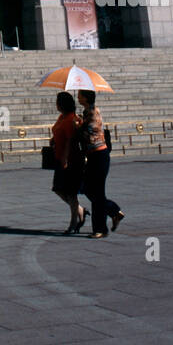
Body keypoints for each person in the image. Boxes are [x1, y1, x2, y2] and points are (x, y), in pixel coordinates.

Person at [78, 89, 125, 238]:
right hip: (93, 156)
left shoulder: (92, 112)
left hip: (99, 155)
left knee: (97, 192)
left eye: (80, 94)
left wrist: (78, 126)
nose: (78, 96)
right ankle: (113, 211)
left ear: (85, 98)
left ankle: (100, 229)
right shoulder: (87, 112)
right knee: (88, 189)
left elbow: (90, 130)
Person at [51, 92, 86, 234]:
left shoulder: (72, 119)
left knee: (71, 193)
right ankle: (80, 210)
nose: (56, 104)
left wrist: (65, 159)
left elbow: (70, 142)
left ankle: (74, 222)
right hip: (59, 158)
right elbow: (57, 131)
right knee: (58, 189)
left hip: (70, 160)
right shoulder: (62, 117)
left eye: (58, 102)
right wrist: (53, 139)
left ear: (62, 104)